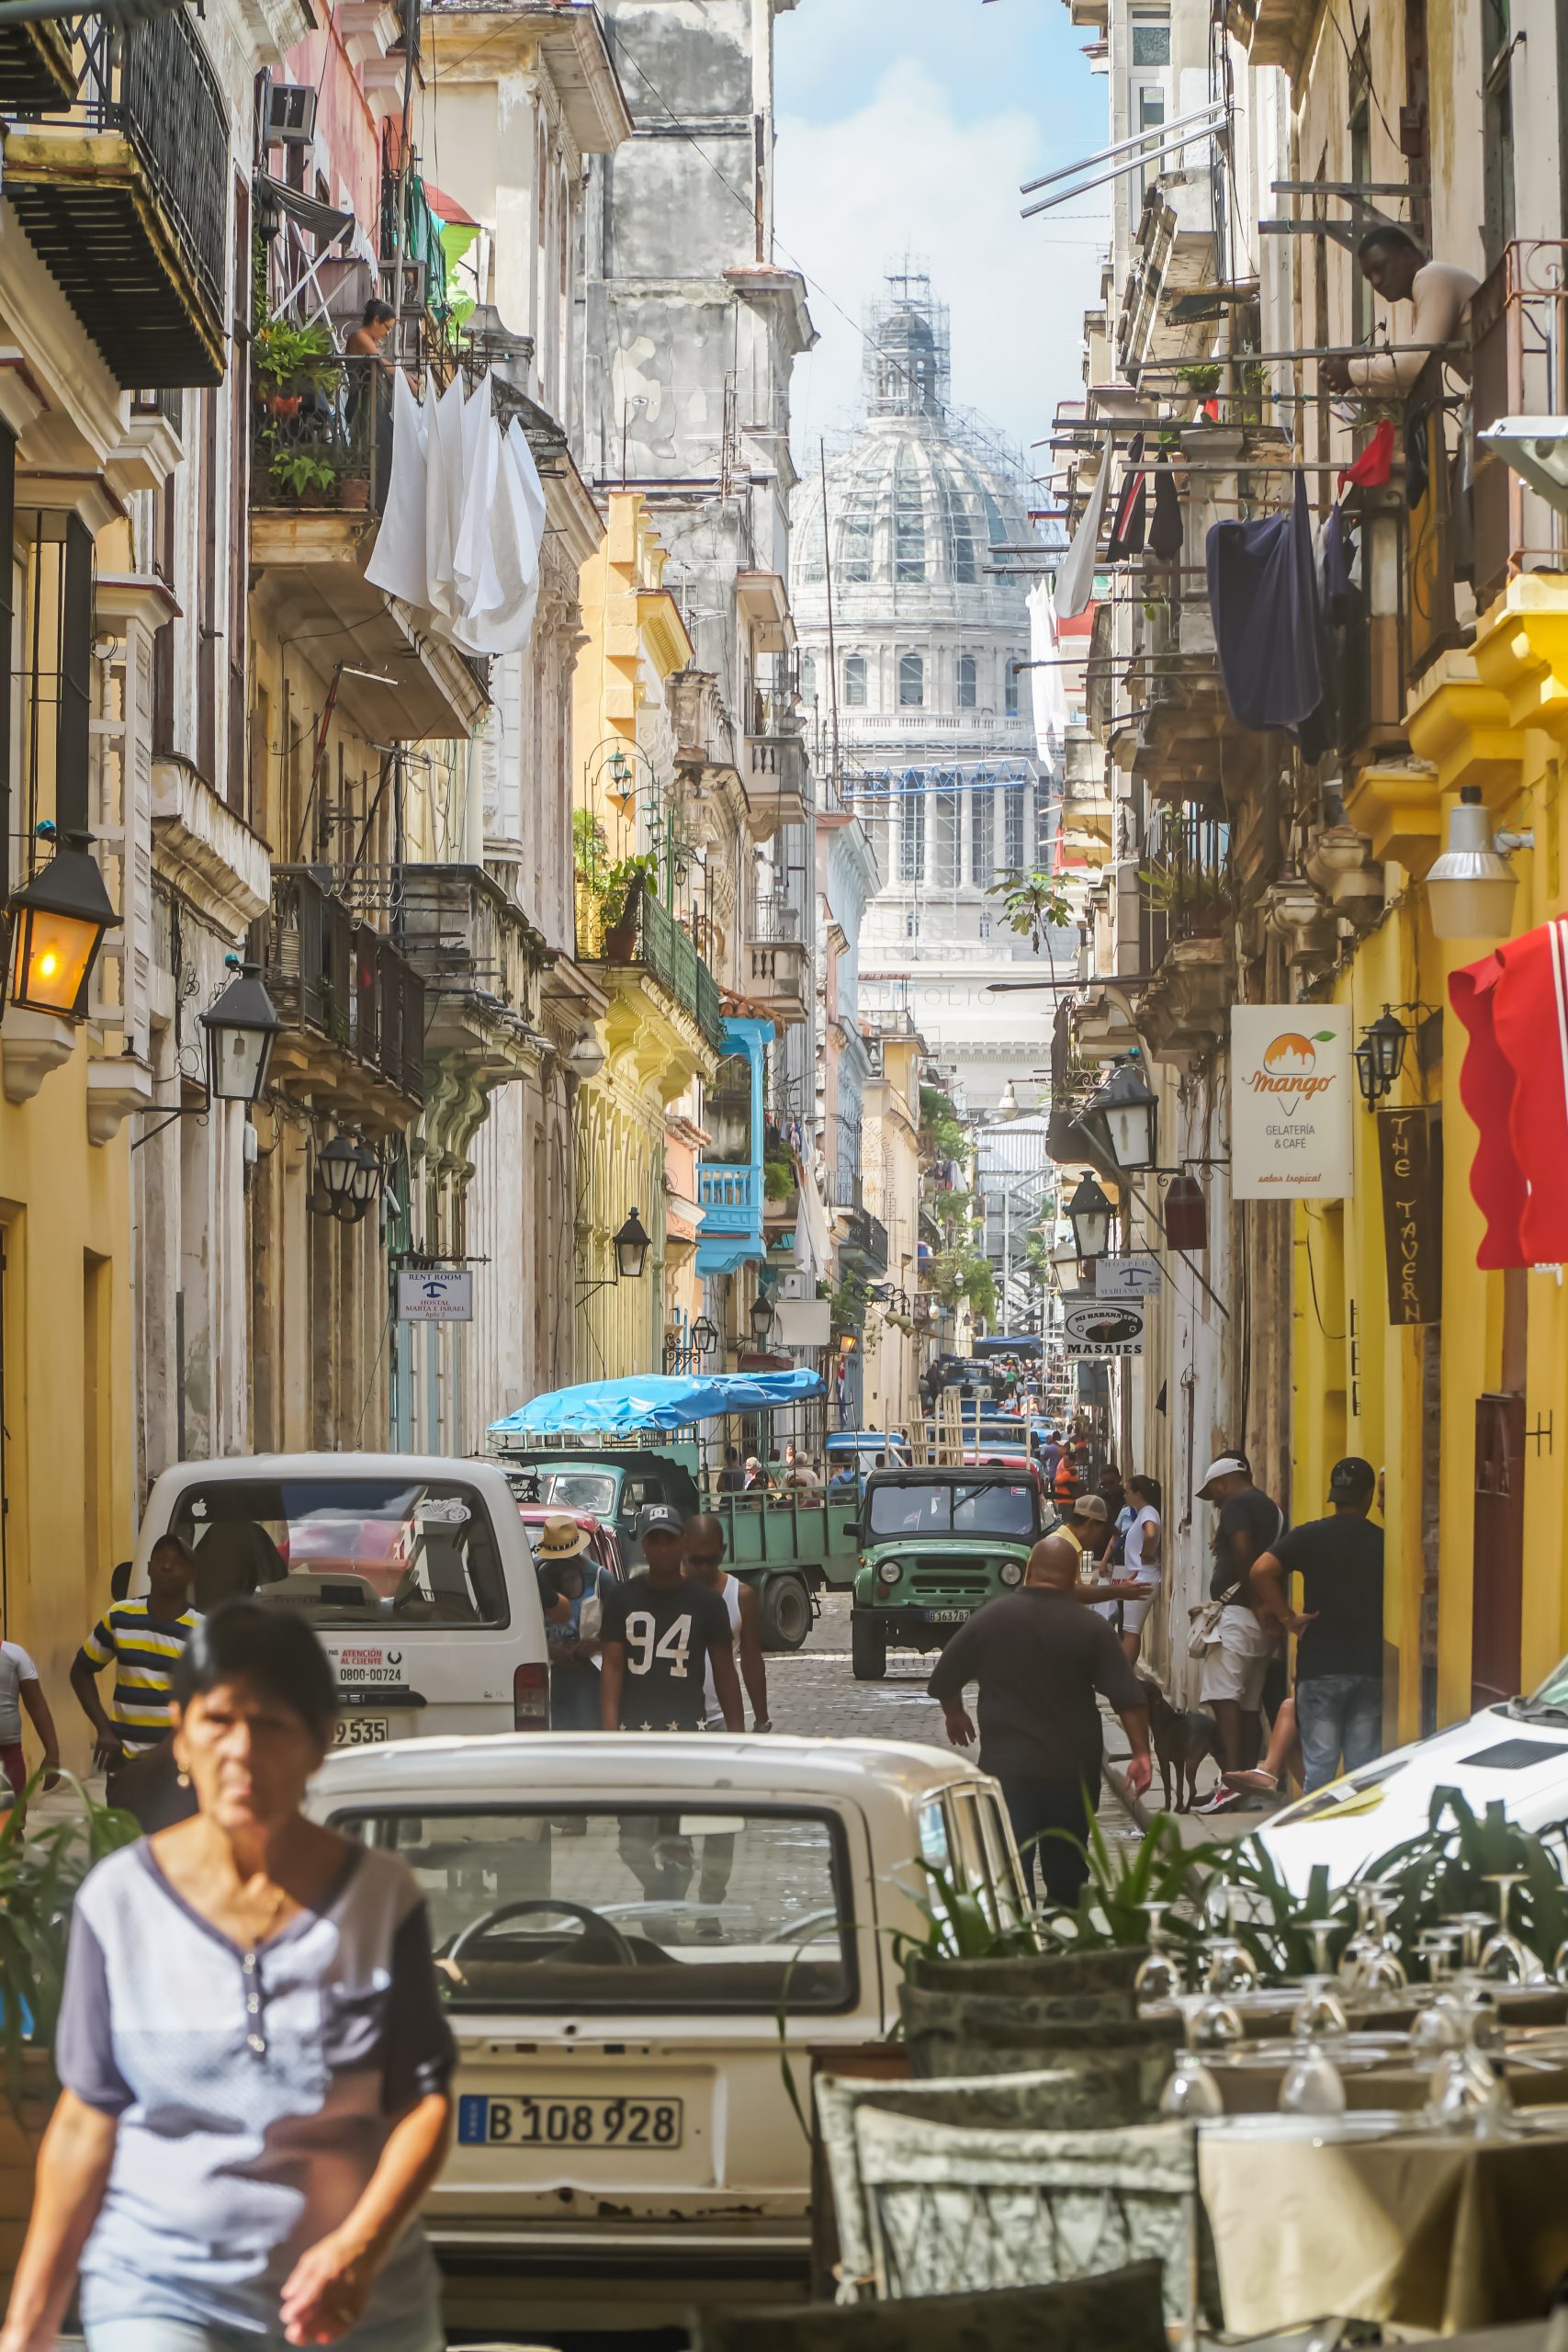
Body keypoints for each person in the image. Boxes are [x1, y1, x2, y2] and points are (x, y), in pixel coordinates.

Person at [1, 1599, 454, 2352]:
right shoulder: (119, 1901)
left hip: (357, 2304)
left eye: (272, 1725)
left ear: (319, 1744)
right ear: (179, 1738)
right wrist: (29, 2322)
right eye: (217, 1721)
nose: (241, 1751)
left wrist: (358, 2249)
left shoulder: (381, 1898)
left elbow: (422, 2104)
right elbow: (85, 2120)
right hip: (160, 2292)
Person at [928, 1535, 1152, 1906]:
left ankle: (1017, 1950)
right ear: (1070, 1580)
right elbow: (1128, 1697)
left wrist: (955, 1712)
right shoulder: (1091, 1628)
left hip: (1006, 1771)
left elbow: (945, 1676)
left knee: (1009, 1872)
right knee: (1067, 1876)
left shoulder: (991, 1618)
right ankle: (1061, 1940)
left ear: (1029, 1572)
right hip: (1071, 1774)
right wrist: (1141, 1753)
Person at [1249, 1455, 1384, 1794]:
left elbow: (1261, 1570)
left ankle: (1317, 1841)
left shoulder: (1311, 1536)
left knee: (1320, 1771)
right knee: (1363, 1775)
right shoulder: (1382, 1541)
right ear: (1368, 1496)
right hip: (1368, 1667)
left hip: (1320, 1668)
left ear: (1333, 1495)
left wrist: (1288, 1618)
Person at [71, 1537, 202, 1826]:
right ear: (148, 1567)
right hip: (124, 1767)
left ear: (192, 1573)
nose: (167, 1566)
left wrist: (155, 1762)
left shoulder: (203, 1631)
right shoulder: (121, 1617)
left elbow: (203, 1709)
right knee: (124, 1854)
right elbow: (80, 1670)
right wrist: (103, 1729)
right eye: (160, 1559)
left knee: (169, 1859)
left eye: (177, 1561)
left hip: (176, 1770)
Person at [1192, 1453, 1285, 1813]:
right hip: (1259, 1623)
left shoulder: (1236, 1505)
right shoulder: (1272, 1510)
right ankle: (1243, 1786)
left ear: (1225, 1481)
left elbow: (1247, 1554)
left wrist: (1257, 1600)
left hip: (1239, 1616)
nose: (1214, 1500)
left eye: (1214, 1490)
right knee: (1248, 1705)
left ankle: (1230, 1780)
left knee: (1223, 1698)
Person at [600, 1506, 744, 1736]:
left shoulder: (708, 1603)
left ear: (683, 1543)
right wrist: (609, 1730)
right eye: (654, 1540)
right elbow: (613, 1668)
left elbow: (725, 1673)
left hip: (688, 1728)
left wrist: (737, 1734)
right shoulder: (621, 1599)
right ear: (644, 1545)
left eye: (670, 1539)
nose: (663, 1549)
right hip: (634, 1730)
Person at [1320, 227, 1479, 395]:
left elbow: (1418, 362)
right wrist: (1351, 376)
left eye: (1380, 267)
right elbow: (1412, 372)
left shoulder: (1431, 277)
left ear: (1408, 256)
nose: (1376, 281)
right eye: (1369, 277)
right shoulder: (1424, 292)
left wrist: (1352, 371)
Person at [682, 1516, 771, 1734]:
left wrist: (762, 1721)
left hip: (722, 1716)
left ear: (722, 1551)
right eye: (696, 1560)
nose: (703, 1569)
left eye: (710, 1561)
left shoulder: (740, 1597)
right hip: (676, 1717)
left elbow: (751, 1660)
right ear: (682, 1549)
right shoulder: (666, 1592)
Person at [535, 1516, 612, 1732]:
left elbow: (621, 1629)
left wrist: (595, 1644)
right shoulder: (534, 1575)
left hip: (588, 1674)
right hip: (546, 1672)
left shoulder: (600, 1579)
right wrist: (547, 1648)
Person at [1083, 1475, 1163, 1666]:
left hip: (1142, 1577)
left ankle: (1124, 1674)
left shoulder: (1147, 1512)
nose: (1124, 1495)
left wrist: (1146, 1552)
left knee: (1130, 1631)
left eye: (1128, 1492)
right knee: (1129, 1630)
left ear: (1138, 1494)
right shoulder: (1140, 1512)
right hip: (1139, 1576)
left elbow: (1150, 1533)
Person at [0, 1636, 60, 1805]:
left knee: (10, 1824)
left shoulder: (14, 1655)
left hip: (6, 1756)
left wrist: (53, 1756)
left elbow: (37, 1706)